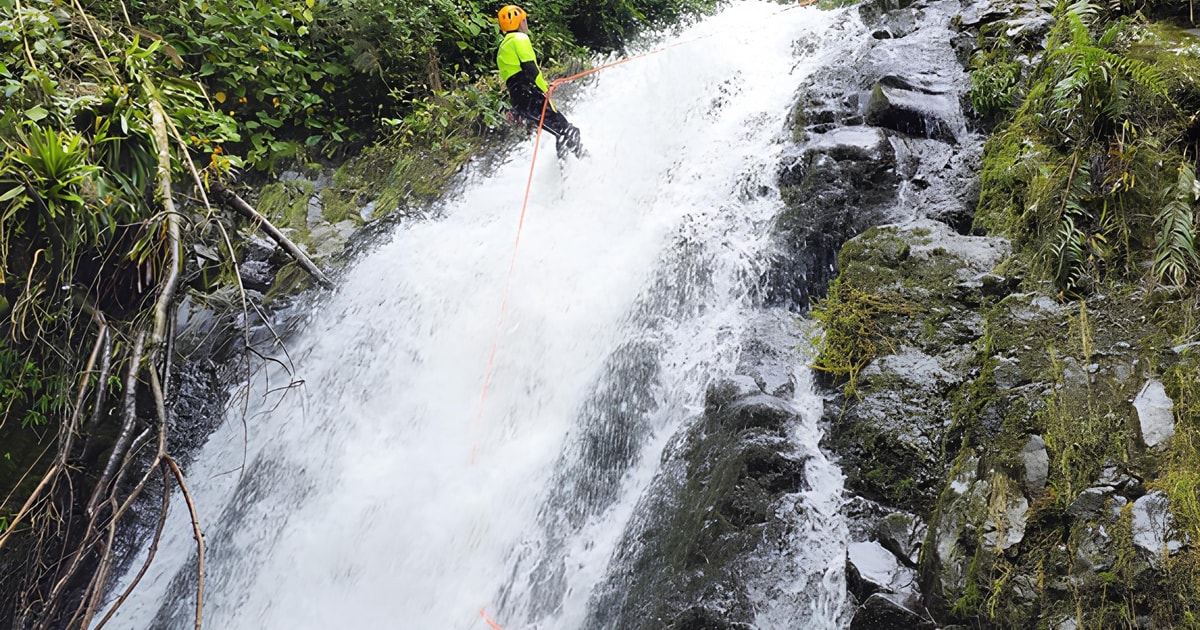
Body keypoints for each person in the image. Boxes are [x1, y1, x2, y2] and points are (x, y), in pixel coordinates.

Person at [496, 4, 583, 158]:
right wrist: (545, 88)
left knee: (562, 133)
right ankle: (584, 163)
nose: (526, 23)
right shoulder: (520, 38)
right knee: (567, 131)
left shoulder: (502, 48)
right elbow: (531, 69)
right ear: (518, 22)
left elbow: (513, 79)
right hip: (530, 96)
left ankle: (569, 170)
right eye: (524, 20)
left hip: (521, 101)